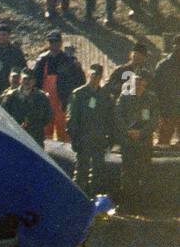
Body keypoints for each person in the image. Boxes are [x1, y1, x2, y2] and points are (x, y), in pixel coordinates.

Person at [67, 63, 115, 195]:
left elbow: (110, 119)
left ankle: (95, 200)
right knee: (81, 172)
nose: (95, 78)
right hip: (83, 138)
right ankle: (79, 199)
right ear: (89, 75)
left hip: (99, 139)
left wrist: (110, 138)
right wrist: (74, 138)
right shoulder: (79, 94)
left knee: (98, 171)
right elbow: (71, 118)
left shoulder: (105, 96)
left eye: (98, 76)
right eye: (93, 75)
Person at [115, 71, 156, 207]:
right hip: (128, 141)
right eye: (136, 79)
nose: (138, 82)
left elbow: (154, 120)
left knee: (145, 172)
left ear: (146, 82)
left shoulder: (151, 98)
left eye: (140, 80)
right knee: (127, 172)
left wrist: (142, 133)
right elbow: (118, 116)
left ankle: (144, 204)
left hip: (144, 141)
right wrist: (128, 131)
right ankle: (127, 203)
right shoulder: (124, 97)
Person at [32, 29, 80, 142]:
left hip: (62, 102)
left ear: (61, 43)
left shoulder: (69, 61)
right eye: (51, 42)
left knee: (64, 132)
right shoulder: (41, 60)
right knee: (44, 132)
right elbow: (34, 81)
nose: (54, 44)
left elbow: (78, 81)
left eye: (56, 41)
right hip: (45, 102)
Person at [2, 70, 52, 143]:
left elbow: (48, 116)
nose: (27, 82)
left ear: (34, 81)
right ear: (20, 80)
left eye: (30, 79)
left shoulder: (41, 97)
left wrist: (36, 125)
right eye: (25, 79)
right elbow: (3, 115)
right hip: (15, 134)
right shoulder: (10, 96)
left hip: (35, 136)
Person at [154, 34, 180, 147]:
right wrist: (159, 110)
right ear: (174, 47)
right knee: (163, 144)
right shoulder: (163, 65)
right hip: (167, 110)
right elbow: (156, 89)